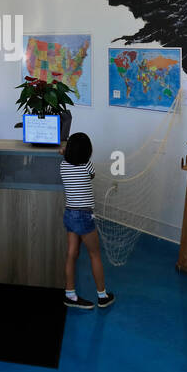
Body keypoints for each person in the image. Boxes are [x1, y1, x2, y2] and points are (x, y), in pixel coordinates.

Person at [59, 132, 114, 309]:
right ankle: (102, 296)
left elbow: (67, 157)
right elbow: (91, 176)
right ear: (87, 152)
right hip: (84, 216)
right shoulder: (87, 166)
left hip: (69, 214)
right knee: (95, 254)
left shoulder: (63, 166)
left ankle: (70, 295)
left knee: (71, 254)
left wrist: (64, 153)